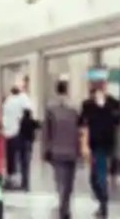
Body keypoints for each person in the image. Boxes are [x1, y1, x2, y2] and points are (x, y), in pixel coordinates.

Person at [80, 77, 120, 218]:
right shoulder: (88, 105)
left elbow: (118, 121)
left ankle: (103, 204)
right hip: (94, 143)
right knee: (96, 176)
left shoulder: (113, 103)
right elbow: (82, 123)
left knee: (100, 173)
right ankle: (103, 201)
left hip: (105, 143)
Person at [45, 79, 82, 219]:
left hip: (56, 149)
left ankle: (63, 205)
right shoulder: (75, 108)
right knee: (69, 181)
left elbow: (47, 132)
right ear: (67, 90)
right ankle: (65, 206)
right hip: (72, 149)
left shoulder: (50, 108)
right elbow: (79, 130)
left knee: (60, 179)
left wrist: (46, 149)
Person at [2, 84, 35, 191]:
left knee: (11, 160)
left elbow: (5, 117)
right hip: (22, 134)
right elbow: (28, 114)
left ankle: (11, 181)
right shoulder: (24, 99)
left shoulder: (7, 101)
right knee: (24, 160)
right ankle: (25, 183)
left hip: (9, 134)